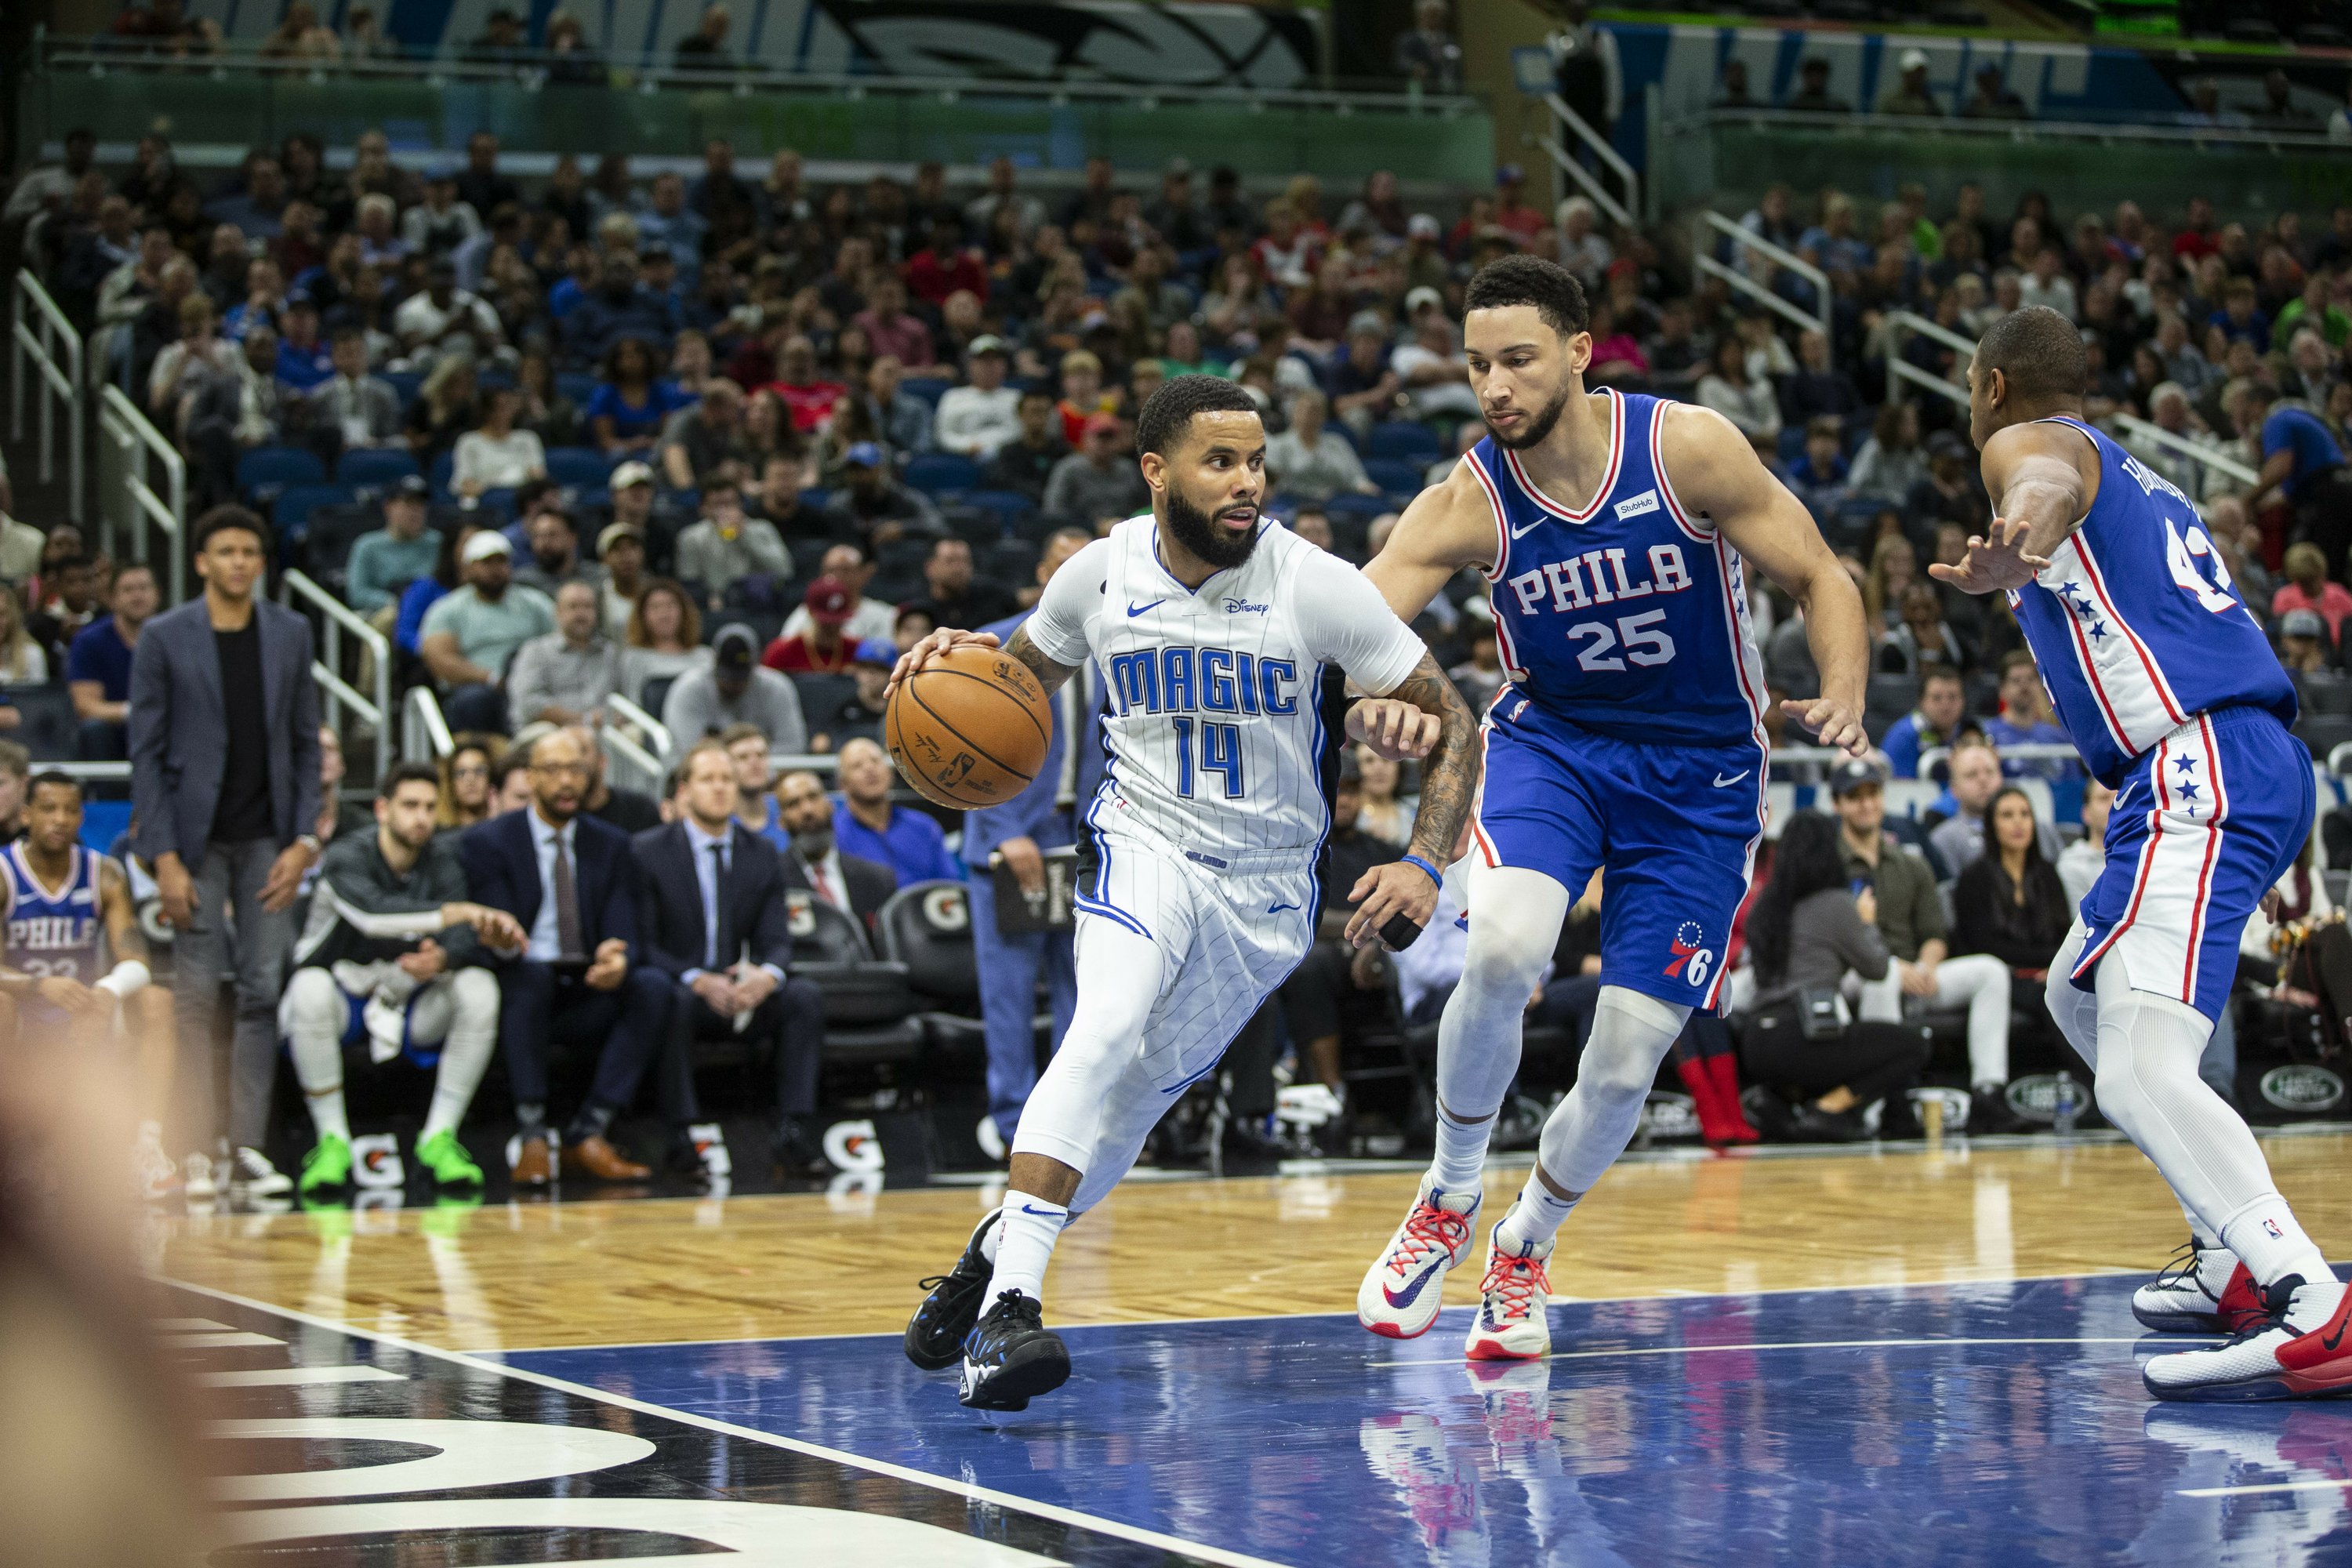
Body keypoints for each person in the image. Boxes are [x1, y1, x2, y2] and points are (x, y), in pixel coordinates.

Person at [894, 374, 1475, 1410]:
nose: (1247, 481)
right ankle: (1009, 1313)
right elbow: (1004, 692)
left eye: (1256, 462)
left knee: (1125, 1114)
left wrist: (1425, 862)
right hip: (1142, 842)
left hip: (1265, 896)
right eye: (1221, 462)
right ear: (1156, 471)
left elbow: (1455, 723)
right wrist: (953, 658)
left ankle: (988, 1253)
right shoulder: (1097, 575)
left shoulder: (1318, 584)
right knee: (1105, 1026)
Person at [1351, 255, 1870, 1362]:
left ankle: (1525, 1244)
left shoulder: (1687, 450)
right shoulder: (1469, 498)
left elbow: (1822, 575)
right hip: (1558, 747)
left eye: (1518, 360)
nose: (1494, 386)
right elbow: (1353, 618)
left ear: (1581, 354)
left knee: (1629, 1059)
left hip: (1703, 777)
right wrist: (1372, 694)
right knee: (1504, 950)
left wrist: (1844, 691)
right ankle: (1448, 1193)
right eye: (1477, 365)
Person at [1932, 303, 2349, 1400]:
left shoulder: (2031, 444)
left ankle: (2309, 1296)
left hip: (2196, 765)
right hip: (2228, 760)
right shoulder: (2141, 473)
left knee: (2138, 1068)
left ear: (1991, 387)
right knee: (2077, 994)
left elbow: (2038, 480)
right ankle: (2224, 1255)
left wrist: (2017, 533)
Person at [129, 506, 322, 1201]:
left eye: (249, 551)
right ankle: (192, 1149)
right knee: (195, 996)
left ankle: (246, 1149)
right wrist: (164, 856)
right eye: (226, 551)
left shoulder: (291, 632)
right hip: (195, 840)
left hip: (269, 836)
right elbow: (145, 753)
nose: (238, 561)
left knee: (262, 992)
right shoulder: (163, 635)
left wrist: (304, 840)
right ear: (202, 562)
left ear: (261, 563)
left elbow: (306, 740)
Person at [276, 763, 520, 1198]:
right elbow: (374, 915)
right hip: (344, 997)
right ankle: (331, 1142)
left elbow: (463, 937)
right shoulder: (347, 855)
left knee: (478, 986)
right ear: (382, 809)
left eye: (429, 807)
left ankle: (439, 1138)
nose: (421, 818)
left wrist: (443, 957)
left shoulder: (442, 858)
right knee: (308, 986)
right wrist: (457, 914)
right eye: (410, 806)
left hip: (409, 999)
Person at [459, 727, 670, 1185]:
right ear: (530, 777)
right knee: (529, 977)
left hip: (587, 983)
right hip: (521, 982)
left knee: (652, 986)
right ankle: (532, 1135)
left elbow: (627, 925)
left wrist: (618, 957)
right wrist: (501, 940)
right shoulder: (488, 842)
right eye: (553, 770)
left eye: (576, 769)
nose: (567, 781)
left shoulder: (612, 843)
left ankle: (590, 1132)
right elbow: (489, 935)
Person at [633, 738, 831, 1178]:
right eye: (708, 779)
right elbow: (643, 944)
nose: (721, 788)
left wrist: (766, 977)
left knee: (802, 996)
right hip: (686, 988)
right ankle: (680, 1136)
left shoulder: (761, 852)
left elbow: (777, 940)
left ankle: (793, 1130)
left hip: (743, 992)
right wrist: (698, 979)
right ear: (684, 791)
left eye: (727, 779)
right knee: (668, 998)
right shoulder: (647, 851)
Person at [964, 538, 1103, 1154]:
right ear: (1045, 573)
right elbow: (966, 748)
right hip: (1010, 837)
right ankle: (1010, 1125)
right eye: (1065, 563)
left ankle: (1068, 1127)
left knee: (1082, 993)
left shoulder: (1112, 646)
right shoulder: (1000, 641)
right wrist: (1004, 830)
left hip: (1083, 836)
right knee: (1009, 994)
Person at [2, 771, 177, 1199]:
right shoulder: (4, 872)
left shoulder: (104, 873)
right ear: (26, 816)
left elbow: (136, 960)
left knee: (156, 1001)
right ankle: (9, 1151)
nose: (60, 820)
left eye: (70, 810)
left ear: (82, 818)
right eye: (48, 809)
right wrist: (37, 986)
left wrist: (107, 992)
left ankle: (146, 1149)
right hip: (23, 1011)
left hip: (83, 1013)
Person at [1832, 757, 2020, 1131]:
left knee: (1991, 972)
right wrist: (1893, 966)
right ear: (1837, 804)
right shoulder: (1828, 865)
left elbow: (1935, 933)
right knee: (1882, 977)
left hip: (1915, 973)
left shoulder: (1912, 863)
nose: (1867, 805)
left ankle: (1989, 1092)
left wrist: (1926, 966)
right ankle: (1881, 1102)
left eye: (1873, 795)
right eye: (1855, 797)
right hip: (1854, 973)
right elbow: (1832, 940)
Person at [1739, 812, 1930, 1142]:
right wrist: (1866, 922)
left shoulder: (1764, 906)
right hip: (1803, 1034)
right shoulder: (1835, 903)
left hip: (1757, 1040)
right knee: (1913, 1044)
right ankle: (1831, 1109)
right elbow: (1877, 969)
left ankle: (1780, 1100)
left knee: (1836, 1050)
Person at [419, 532, 557, 735]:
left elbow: (560, 640)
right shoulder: (447, 609)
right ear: (468, 568)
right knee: (475, 700)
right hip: (480, 687)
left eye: (501, 562)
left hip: (533, 682)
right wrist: (491, 678)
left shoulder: (536, 603)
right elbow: (439, 659)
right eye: (486, 563)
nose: (495, 569)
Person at [775, 768, 895, 927]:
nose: (807, 810)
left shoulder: (877, 879)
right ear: (781, 821)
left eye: (813, 797)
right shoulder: (772, 883)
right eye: (793, 804)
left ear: (831, 805)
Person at [831, 739, 960, 887]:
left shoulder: (925, 827)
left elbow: (950, 886)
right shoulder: (835, 835)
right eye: (857, 765)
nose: (869, 768)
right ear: (842, 784)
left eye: (875, 761)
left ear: (891, 772)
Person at [661, 625, 808, 749]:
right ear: (714, 662)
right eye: (727, 677)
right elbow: (686, 751)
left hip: (767, 772)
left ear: (755, 665)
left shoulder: (776, 687)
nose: (734, 684)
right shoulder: (689, 689)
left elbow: (792, 745)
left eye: (741, 678)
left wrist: (749, 760)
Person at [67, 562, 156, 762]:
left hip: (161, 729)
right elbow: (86, 707)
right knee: (94, 728)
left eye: (143, 588)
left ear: (157, 595)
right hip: (113, 733)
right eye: (128, 590)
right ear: (112, 599)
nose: (137, 596)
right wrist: (133, 711)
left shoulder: (174, 638)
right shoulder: (89, 641)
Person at [506, 581, 620, 729]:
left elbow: (627, 700)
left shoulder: (610, 653)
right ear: (558, 612)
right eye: (573, 607)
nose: (581, 614)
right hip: (550, 731)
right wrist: (584, 720)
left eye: (587, 607)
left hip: (605, 731)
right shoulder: (535, 651)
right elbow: (529, 704)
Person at [673, 475, 792, 612]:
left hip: (759, 605)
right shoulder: (691, 537)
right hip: (714, 608)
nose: (724, 510)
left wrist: (744, 536)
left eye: (730, 503)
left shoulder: (762, 529)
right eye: (717, 504)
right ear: (703, 508)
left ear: (741, 504)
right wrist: (709, 598)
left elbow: (784, 570)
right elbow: (689, 583)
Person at [1044, 413, 1152, 527]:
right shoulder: (1069, 469)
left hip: (1124, 530)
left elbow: (1145, 508)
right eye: (1099, 437)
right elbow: (1054, 511)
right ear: (1085, 438)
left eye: (1110, 438)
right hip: (1080, 532)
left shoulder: (1129, 470)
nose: (1104, 444)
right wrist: (1094, 526)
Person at [619, 577, 710, 706]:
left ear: (684, 611)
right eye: (655, 607)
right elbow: (631, 707)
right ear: (642, 615)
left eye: (670, 606)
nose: (664, 614)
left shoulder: (706, 656)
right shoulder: (634, 658)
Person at [935, 336, 1022, 459]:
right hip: (964, 457)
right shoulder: (953, 397)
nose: (989, 366)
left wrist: (996, 446)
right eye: (983, 360)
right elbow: (943, 434)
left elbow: (1023, 431)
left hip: (1008, 457)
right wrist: (967, 446)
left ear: (1004, 365)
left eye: (995, 360)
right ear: (970, 365)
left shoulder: (1017, 397)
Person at [1882, 665, 1966, 779]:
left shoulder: (1970, 732)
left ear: (1963, 701)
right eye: (1937, 698)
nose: (1945, 706)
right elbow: (1900, 788)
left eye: (1953, 697)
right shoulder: (1902, 737)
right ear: (1921, 702)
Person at [763, 578, 861, 673]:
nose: (832, 627)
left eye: (837, 622)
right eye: (825, 623)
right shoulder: (781, 652)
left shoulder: (858, 651)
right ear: (810, 612)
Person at [437, 735, 502, 831]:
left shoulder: (504, 829)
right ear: (450, 783)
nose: (471, 780)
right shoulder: (439, 834)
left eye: (480, 771)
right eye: (461, 773)